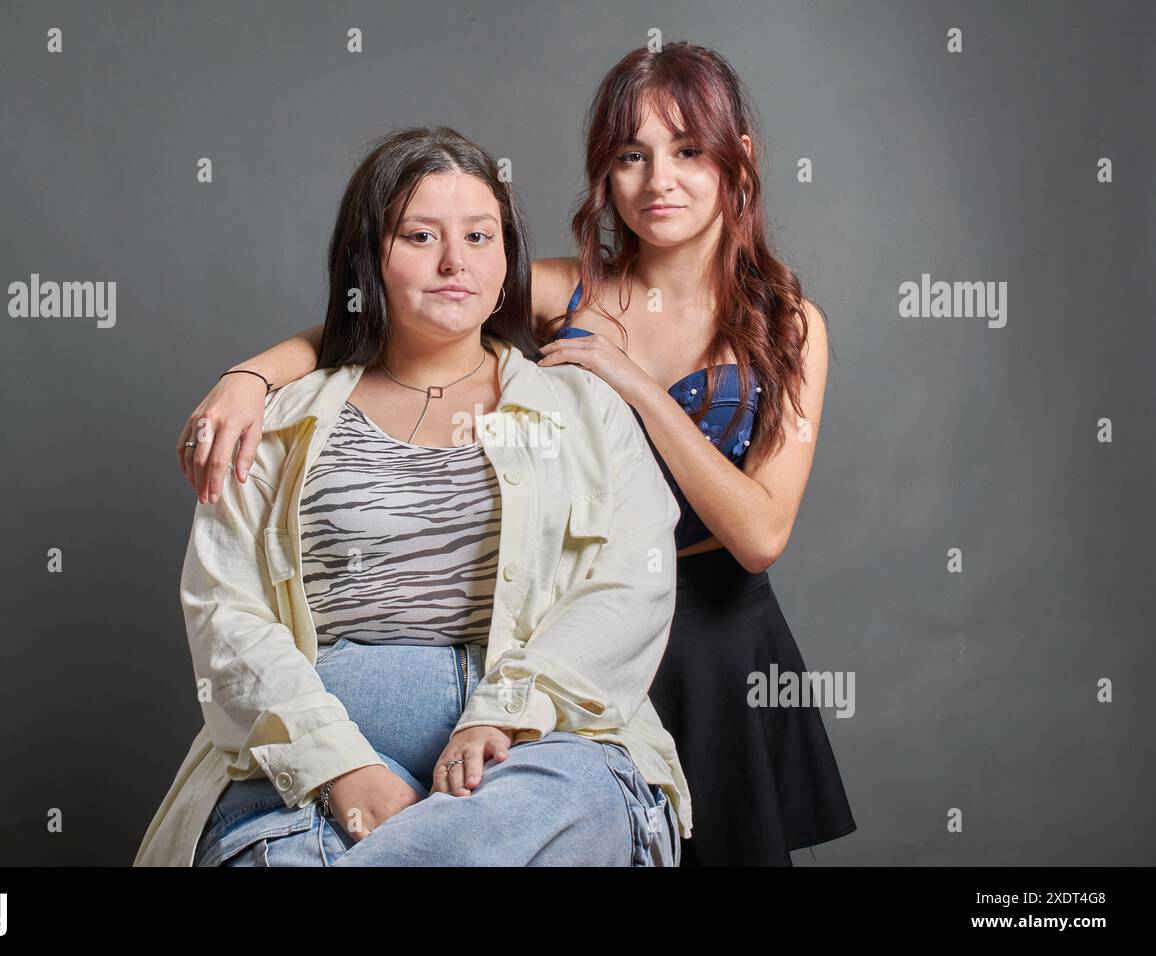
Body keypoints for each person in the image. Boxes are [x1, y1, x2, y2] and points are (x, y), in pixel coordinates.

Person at [173, 43, 856, 866]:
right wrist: (253, 377)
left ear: (738, 159)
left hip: (697, 626)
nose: (658, 180)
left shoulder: (788, 323)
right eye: (630, 156)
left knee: (626, 816)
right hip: (545, 610)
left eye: (688, 150)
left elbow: (760, 533)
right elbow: (400, 322)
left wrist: (628, 381)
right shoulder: (554, 287)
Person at [135, 125, 686, 867]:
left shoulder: (584, 410)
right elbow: (223, 608)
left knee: (578, 797)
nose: (455, 262)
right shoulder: (275, 419)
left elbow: (632, 586)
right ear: (369, 256)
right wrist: (338, 767)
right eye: (420, 235)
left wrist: (507, 715)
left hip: (535, 745)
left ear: (508, 257)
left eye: (480, 236)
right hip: (319, 742)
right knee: (280, 842)